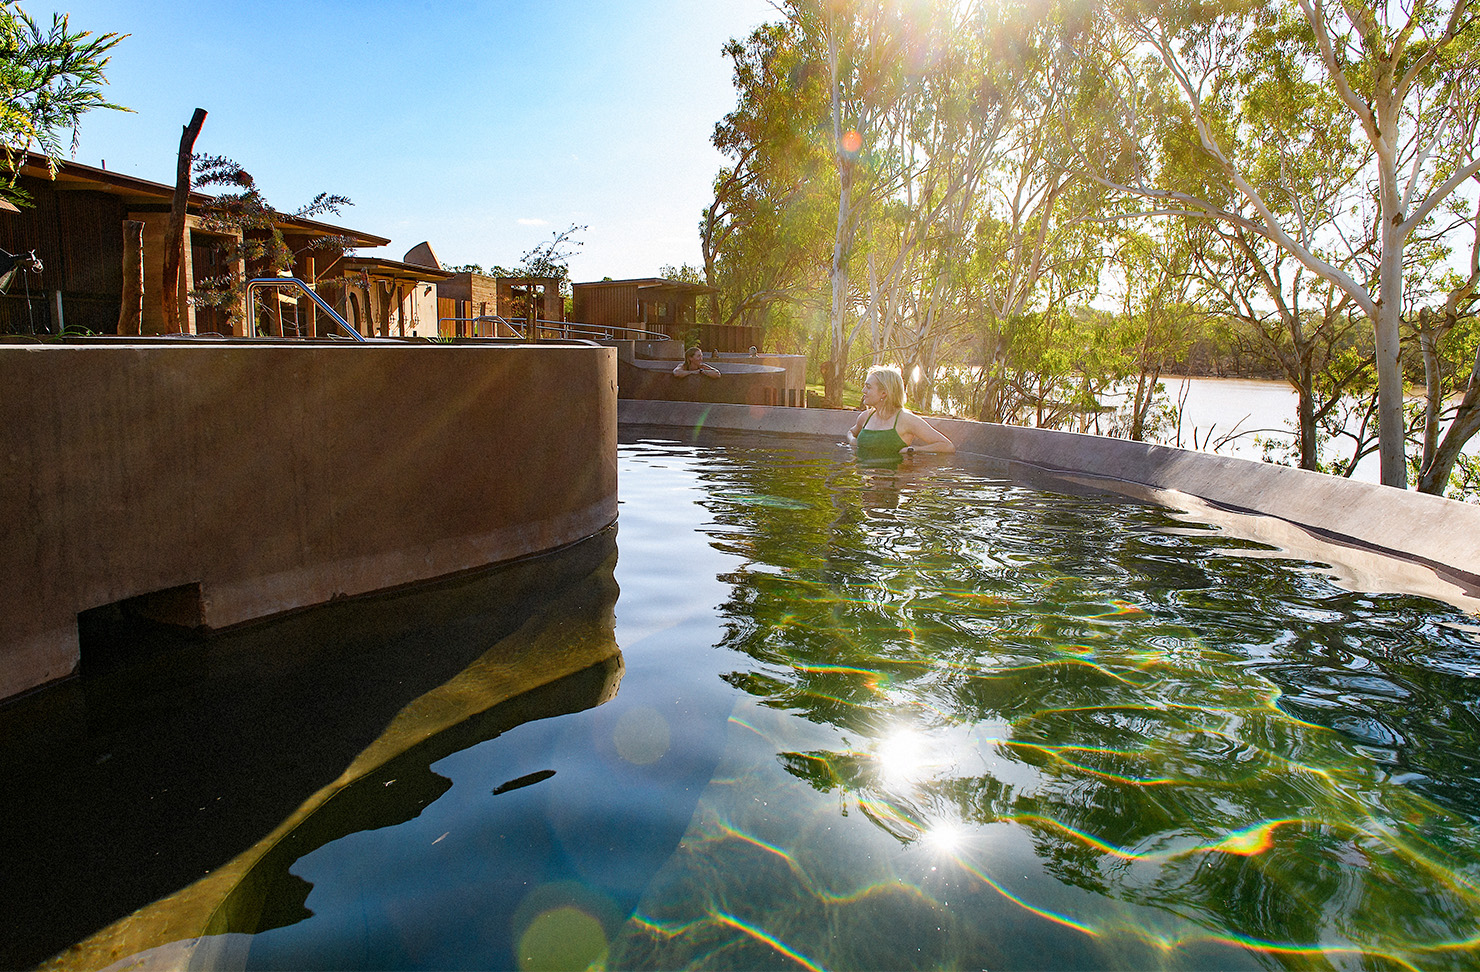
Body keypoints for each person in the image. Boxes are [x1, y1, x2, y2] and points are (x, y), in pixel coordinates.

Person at [847, 365, 955, 463]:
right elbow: (851, 432)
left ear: (884, 393)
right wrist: (852, 440)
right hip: (868, 483)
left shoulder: (906, 420)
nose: (863, 390)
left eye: (868, 387)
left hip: (894, 481)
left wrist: (913, 450)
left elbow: (947, 446)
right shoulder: (865, 417)